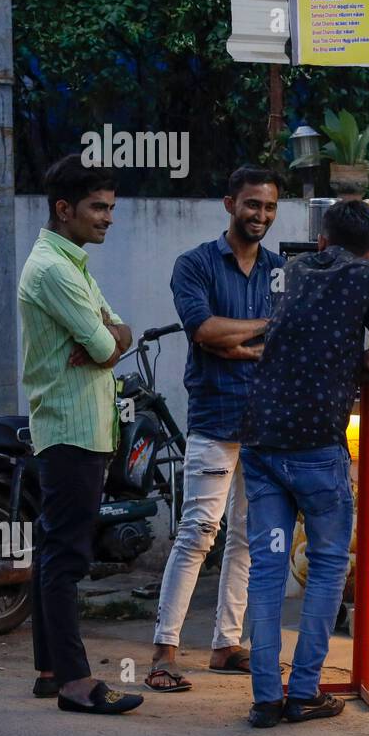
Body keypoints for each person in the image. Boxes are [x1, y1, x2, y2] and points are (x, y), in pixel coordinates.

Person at [239, 200, 369, 727]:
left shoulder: (292, 268)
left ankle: (266, 698)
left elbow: (289, 339)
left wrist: (349, 360)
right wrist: (368, 361)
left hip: (260, 438)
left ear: (322, 241)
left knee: (266, 568)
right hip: (316, 445)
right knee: (330, 562)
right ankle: (304, 690)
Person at [146, 167, 285, 692]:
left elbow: (282, 337)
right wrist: (234, 335)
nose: (261, 216)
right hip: (215, 415)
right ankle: (164, 652)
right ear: (230, 203)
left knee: (246, 538)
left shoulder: (279, 271)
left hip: (265, 419)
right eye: (252, 205)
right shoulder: (196, 264)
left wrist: (238, 339)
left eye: (270, 207)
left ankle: (226, 646)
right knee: (198, 534)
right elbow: (202, 328)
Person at [18, 155, 142, 714]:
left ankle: (50, 671)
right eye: (98, 207)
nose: (108, 218)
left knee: (53, 552)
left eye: (111, 207)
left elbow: (121, 334)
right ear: (64, 209)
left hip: (78, 426)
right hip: (70, 429)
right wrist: (106, 339)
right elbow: (103, 345)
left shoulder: (72, 262)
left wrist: (108, 337)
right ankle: (74, 681)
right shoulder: (54, 270)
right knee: (67, 558)